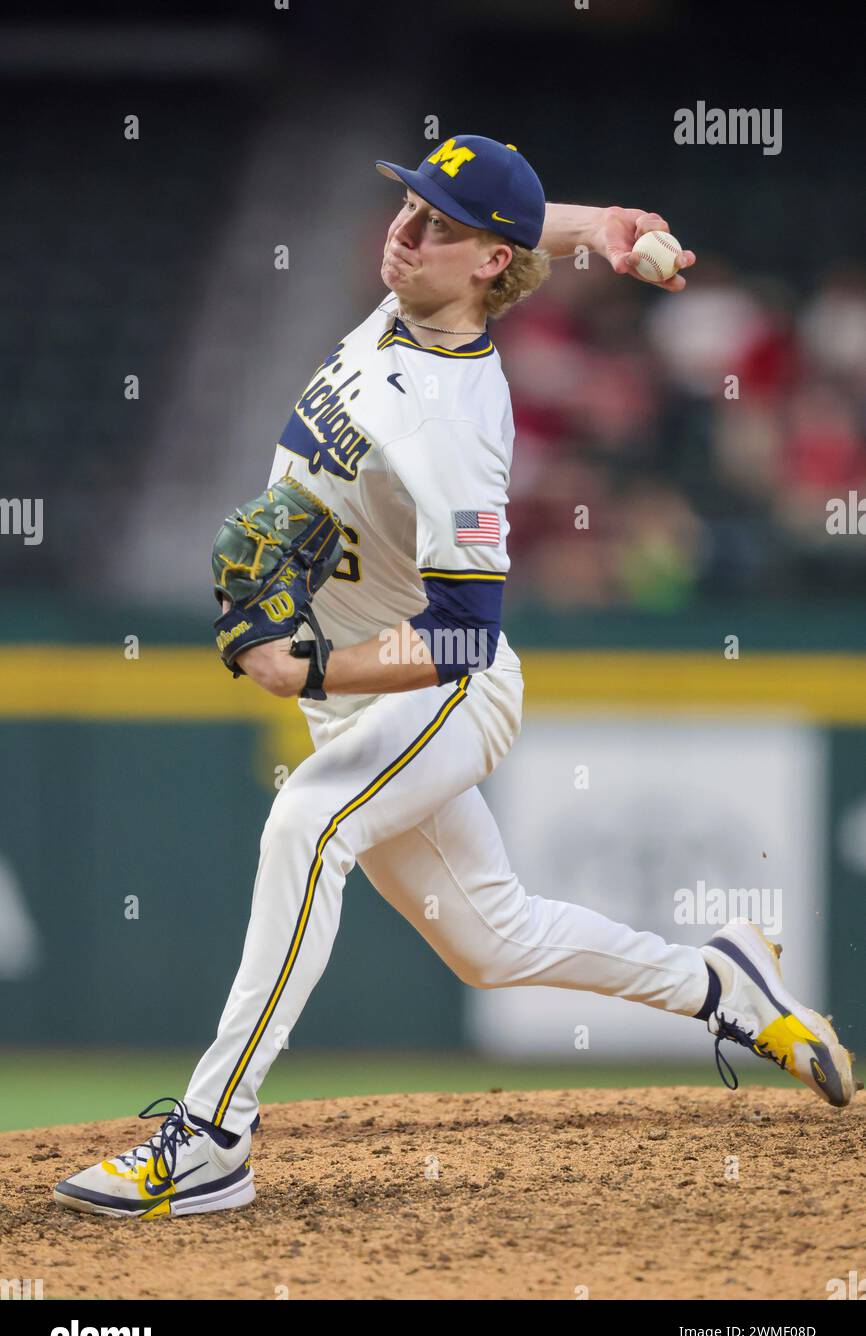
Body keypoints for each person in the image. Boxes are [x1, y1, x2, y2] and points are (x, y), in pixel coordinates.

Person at [55, 135, 854, 1219]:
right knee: (492, 940)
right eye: (409, 204)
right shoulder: (411, 301)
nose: (405, 228)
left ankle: (211, 1137)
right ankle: (719, 982)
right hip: (360, 701)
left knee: (308, 826)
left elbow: (467, 636)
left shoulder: (457, 420)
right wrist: (599, 225)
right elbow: (510, 224)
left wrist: (312, 664)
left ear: (483, 264)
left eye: (436, 222)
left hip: (438, 694)